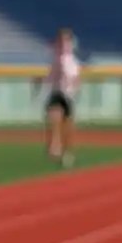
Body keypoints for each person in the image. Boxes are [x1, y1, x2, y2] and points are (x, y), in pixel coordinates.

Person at [45, 28, 81, 168]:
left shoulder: (71, 61)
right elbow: (52, 74)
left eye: (64, 40)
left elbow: (76, 77)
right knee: (54, 119)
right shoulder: (56, 58)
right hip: (56, 92)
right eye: (60, 40)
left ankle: (67, 151)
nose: (61, 43)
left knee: (67, 125)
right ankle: (55, 146)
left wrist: (73, 85)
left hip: (67, 94)